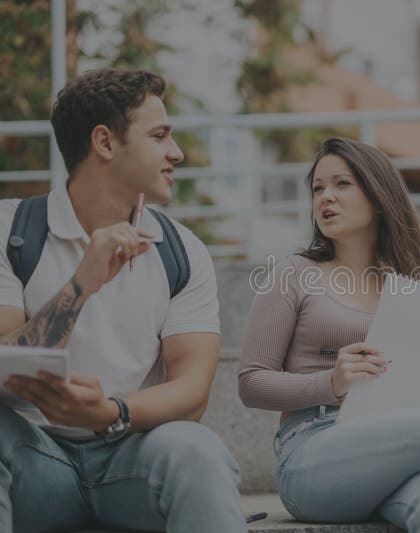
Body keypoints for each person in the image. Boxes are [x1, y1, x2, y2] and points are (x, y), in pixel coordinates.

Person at [239, 137, 420, 532]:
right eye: (318, 188)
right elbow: (251, 383)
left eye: (342, 184)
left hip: (388, 445)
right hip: (310, 453)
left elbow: (418, 387)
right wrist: (331, 382)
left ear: (378, 197)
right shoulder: (294, 273)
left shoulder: (407, 284)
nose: (326, 196)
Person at [0, 69, 245, 532]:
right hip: (35, 460)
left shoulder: (182, 249)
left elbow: (192, 394)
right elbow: (3, 368)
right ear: (105, 143)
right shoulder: (10, 232)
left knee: (199, 450)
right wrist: (81, 284)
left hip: (130, 459)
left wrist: (111, 412)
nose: (177, 153)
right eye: (159, 135)